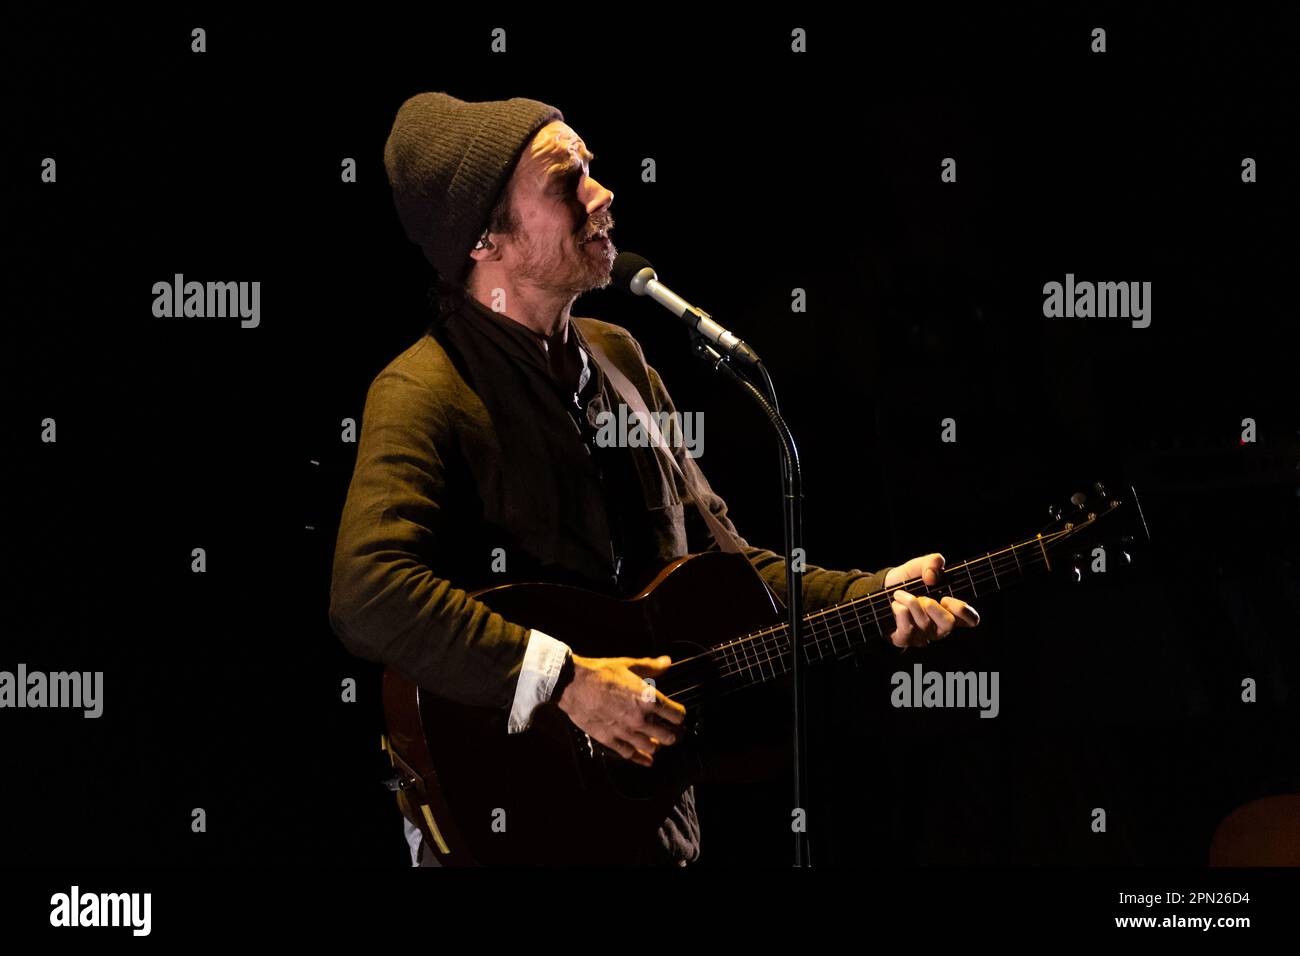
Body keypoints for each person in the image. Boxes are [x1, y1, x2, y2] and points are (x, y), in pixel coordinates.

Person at [329, 91, 980, 867]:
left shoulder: (622, 362)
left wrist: (867, 594)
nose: (601, 195)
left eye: (590, 170)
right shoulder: (424, 390)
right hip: (509, 824)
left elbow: (728, 568)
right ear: (482, 239)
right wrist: (564, 679)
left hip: (653, 822)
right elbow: (367, 592)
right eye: (565, 182)